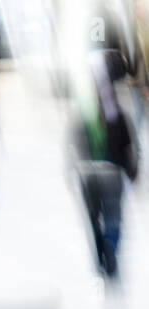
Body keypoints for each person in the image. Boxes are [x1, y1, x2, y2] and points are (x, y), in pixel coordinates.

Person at [72, 52, 139, 279]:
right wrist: (132, 170)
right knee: (113, 218)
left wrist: (75, 167)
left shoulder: (82, 109)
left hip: (88, 172)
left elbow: (74, 140)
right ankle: (110, 251)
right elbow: (131, 143)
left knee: (94, 219)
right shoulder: (118, 107)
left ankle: (100, 254)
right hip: (112, 172)